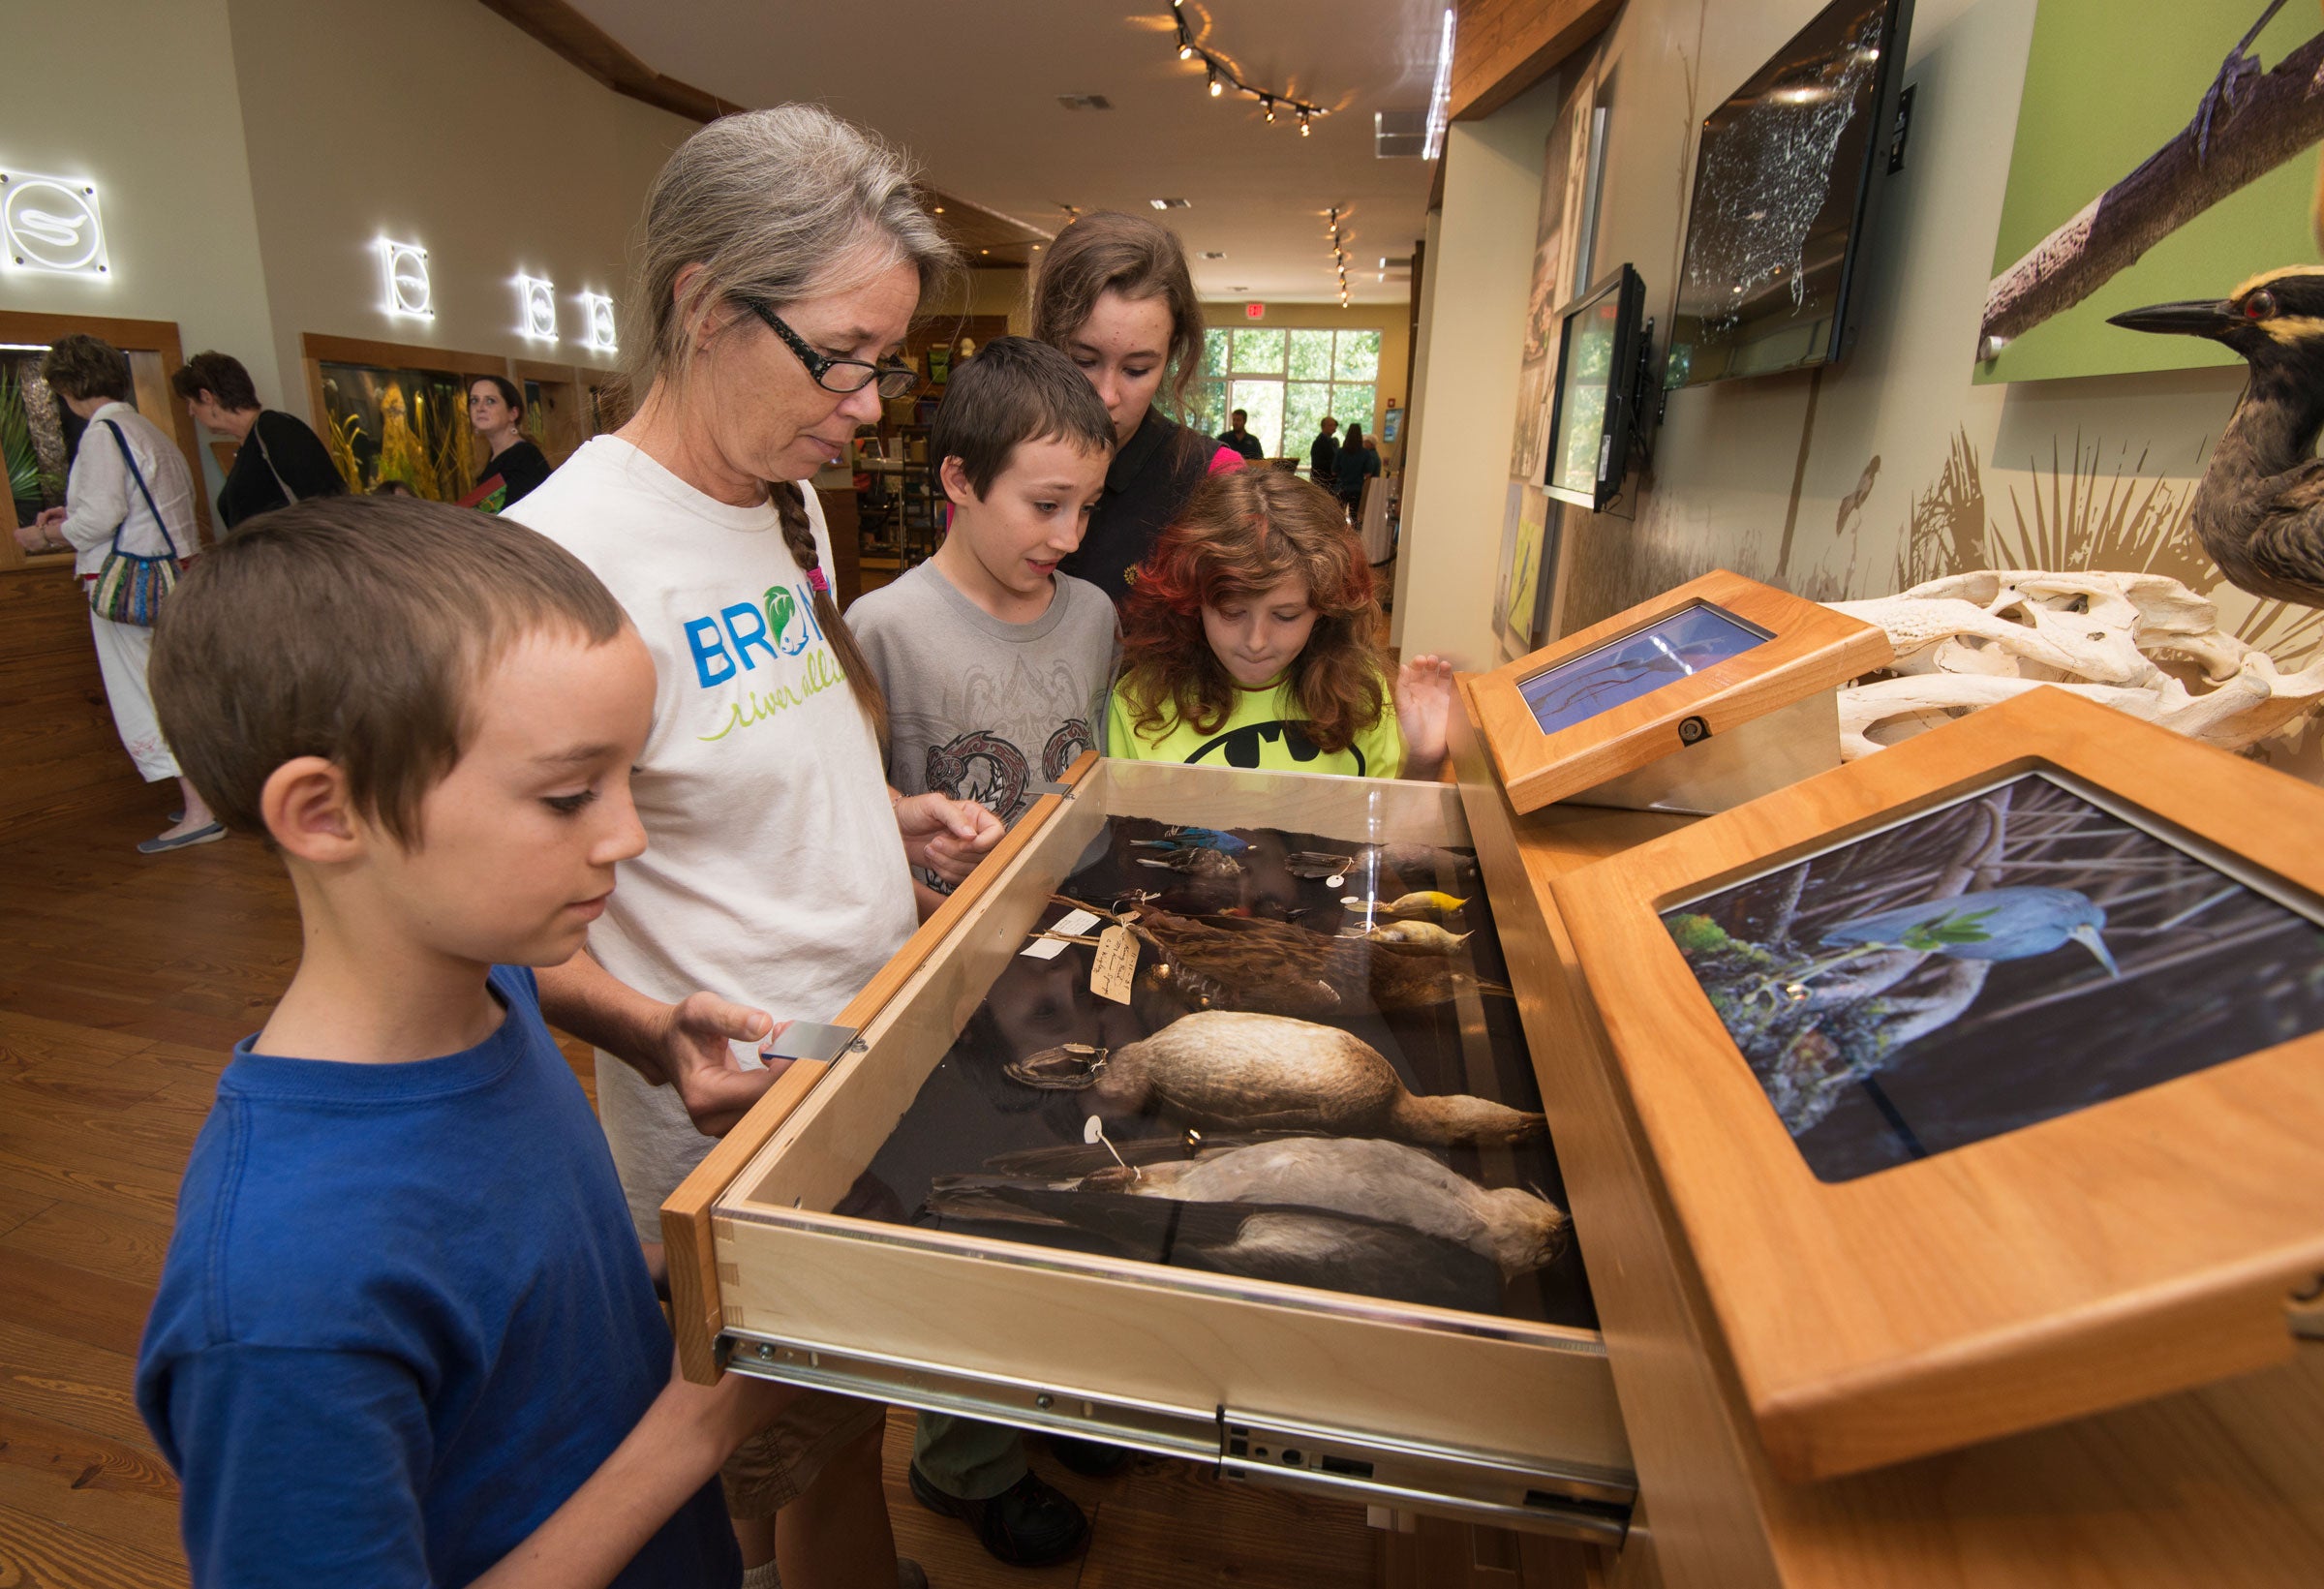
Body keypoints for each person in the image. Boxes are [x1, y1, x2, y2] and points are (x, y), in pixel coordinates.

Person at [504, 105, 1005, 1589]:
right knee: (746, 1454)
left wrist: (871, 808)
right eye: (841, 355)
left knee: (840, 1430)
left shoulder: (783, 492)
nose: (865, 402)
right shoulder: (561, 561)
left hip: (856, 1055)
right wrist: (656, 1031)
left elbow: (751, 737)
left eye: (885, 363)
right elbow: (500, 934)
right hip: (725, 1115)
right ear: (706, 306)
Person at [137, 498, 788, 1589]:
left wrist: (674, 1262)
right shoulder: (278, 1304)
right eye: (571, 794)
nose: (625, 833)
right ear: (326, 813)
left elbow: (505, 1293)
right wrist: (701, 1430)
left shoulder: (489, 987)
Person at [843, 336, 1117, 1566]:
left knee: (1072, 1188)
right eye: (1042, 504)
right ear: (959, 480)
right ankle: (966, 1460)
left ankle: (1056, 1397)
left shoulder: (1096, 614)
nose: (1065, 533)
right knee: (973, 1213)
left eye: (1085, 508)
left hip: (1069, 970)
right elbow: (852, 825)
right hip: (944, 985)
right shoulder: (884, 629)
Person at [1107, 467, 1453, 780]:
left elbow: (1391, 835)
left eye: (1286, 616)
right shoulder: (1141, 704)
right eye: (1231, 612)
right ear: (1193, 602)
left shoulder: (1361, 694)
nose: (1256, 641)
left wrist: (1424, 759)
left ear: (1325, 610)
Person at [11, 335, 220, 852]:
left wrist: (45, 535)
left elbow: (103, 516)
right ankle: (211, 798)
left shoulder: (103, 434)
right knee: (178, 687)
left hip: (129, 587)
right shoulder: (146, 428)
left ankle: (200, 810)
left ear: (65, 387)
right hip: (176, 576)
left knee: (145, 692)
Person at [1033, 211, 1242, 607]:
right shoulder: (992, 456)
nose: (1106, 396)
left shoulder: (1212, 480)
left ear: (1171, 355)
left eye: (1137, 370)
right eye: (1083, 360)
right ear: (1047, 339)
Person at [169, 351, 345, 531]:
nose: (190, 412)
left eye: (191, 403)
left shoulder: (275, 428)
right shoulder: (249, 443)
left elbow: (328, 501)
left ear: (207, 397)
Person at [464, 375, 554, 511]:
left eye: (490, 401)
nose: (480, 408)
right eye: (474, 400)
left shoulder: (525, 457)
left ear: (513, 413)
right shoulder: (493, 459)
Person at [1333, 419, 1381, 519]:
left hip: (1341, 487)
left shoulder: (1341, 452)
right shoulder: (1365, 453)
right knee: (1354, 516)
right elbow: (1368, 472)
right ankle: (1353, 534)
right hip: (1357, 488)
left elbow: (1334, 471)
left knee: (1339, 516)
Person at [1308, 414, 1340, 485]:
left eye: (1334, 425)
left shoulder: (1334, 442)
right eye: (1330, 425)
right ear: (1323, 427)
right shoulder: (1318, 443)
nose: (1333, 428)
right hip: (1322, 480)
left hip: (1331, 480)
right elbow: (1317, 464)